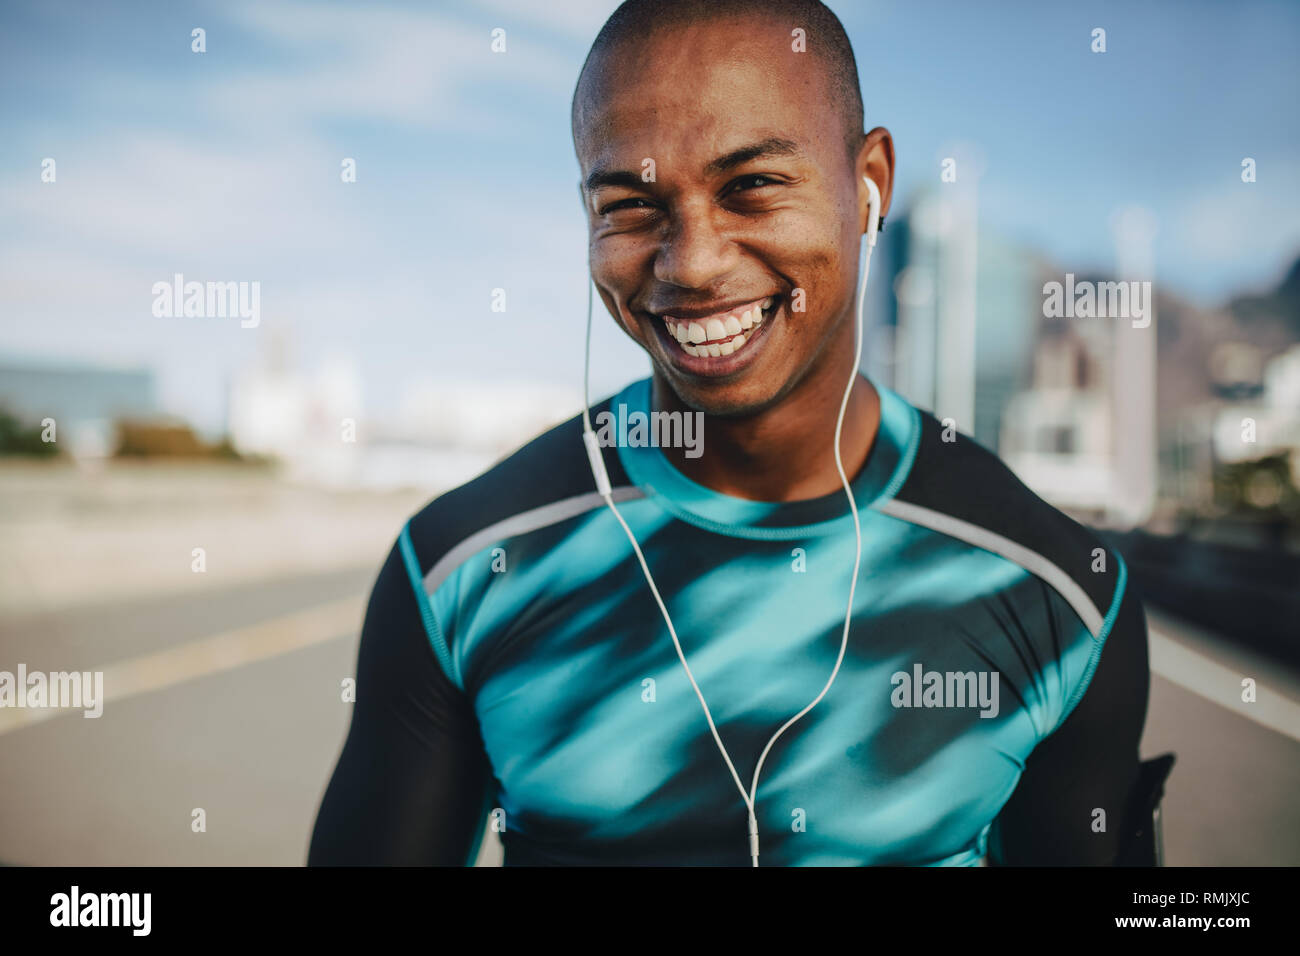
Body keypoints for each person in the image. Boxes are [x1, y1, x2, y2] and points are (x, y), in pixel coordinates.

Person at [308, 0, 1150, 866]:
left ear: (871, 185)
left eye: (750, 186)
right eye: (631, 206)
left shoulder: (1061, 594)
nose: (694, 264)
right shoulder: (460, 569)